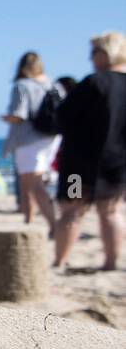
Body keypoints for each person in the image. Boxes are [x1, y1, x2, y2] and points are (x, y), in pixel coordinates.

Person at [53, 32, 126, 272]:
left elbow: (62, 117)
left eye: (94, 52)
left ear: (106, 53)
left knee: (72, 211)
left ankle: (60, 261)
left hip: (79, 166)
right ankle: (111, 262)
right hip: (118, 164)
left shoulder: (94, 83)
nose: (90, 58)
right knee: (111, 211)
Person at [1, 51, 60, 232]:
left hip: (29, 139)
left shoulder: (22, 85)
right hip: (53, 137)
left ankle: (53, 225)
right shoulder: (53, 84)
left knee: (33, 183)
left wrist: (6, 118)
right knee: (29, 183)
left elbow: (19, 114)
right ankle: (29, 222)